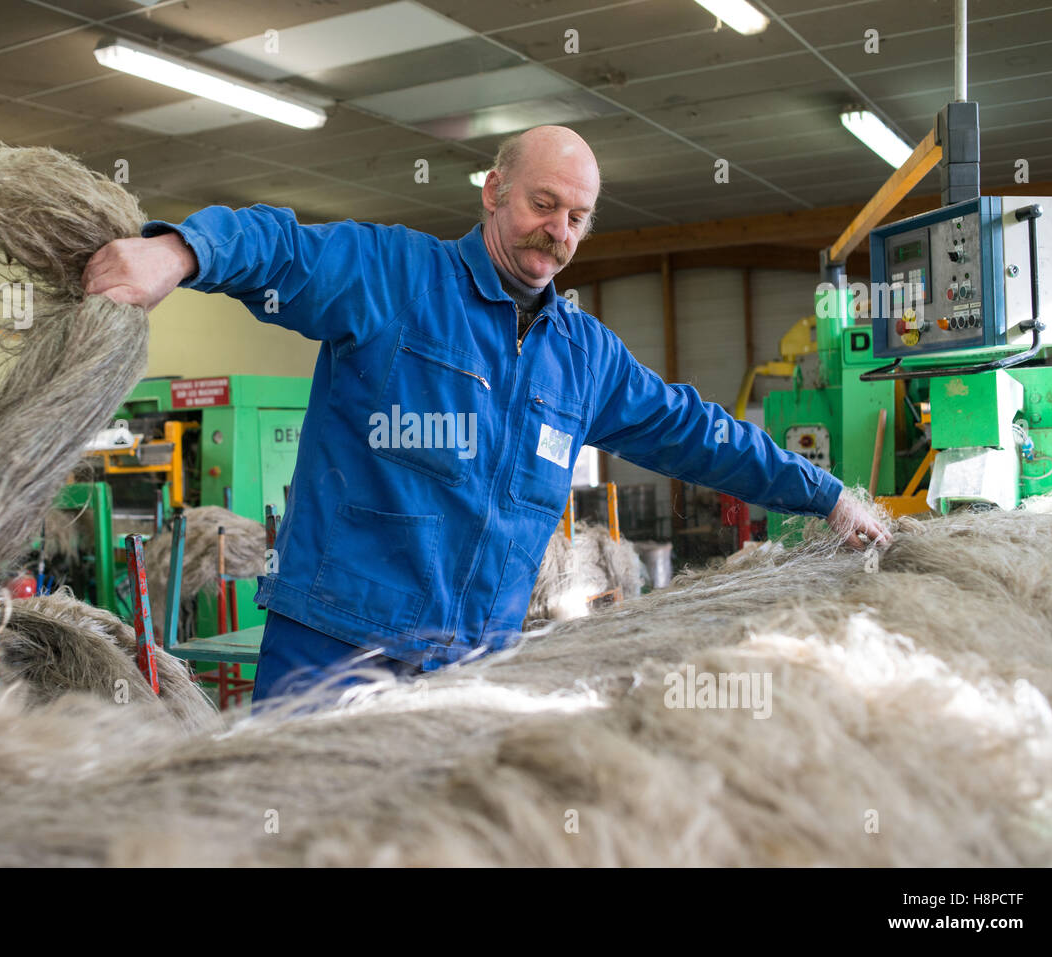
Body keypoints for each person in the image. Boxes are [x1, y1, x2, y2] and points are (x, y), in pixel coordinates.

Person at [83, 125, 890, 703]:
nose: (559, 230)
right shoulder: (397, 278)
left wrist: (824, 493)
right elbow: (284, 248)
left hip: (475, 670)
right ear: (494, 191)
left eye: (578, 217)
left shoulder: (585, 358)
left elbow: (698, 432)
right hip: (334, 654)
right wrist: (180, 252)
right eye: (544, 203)